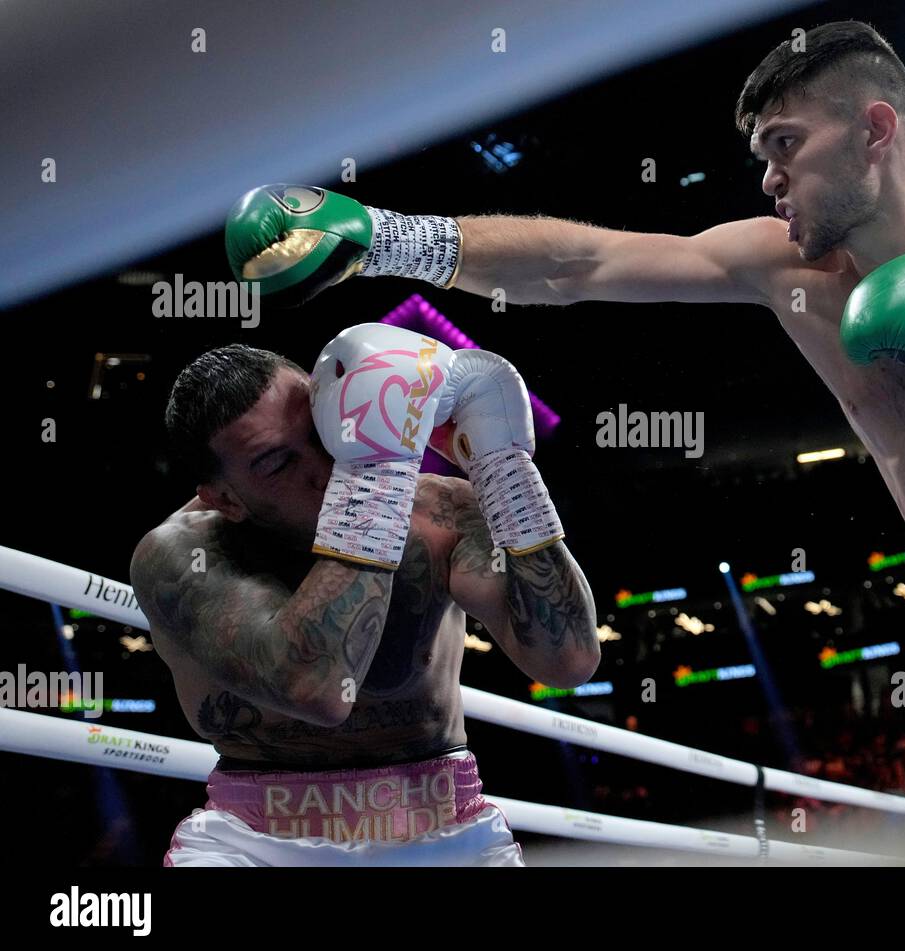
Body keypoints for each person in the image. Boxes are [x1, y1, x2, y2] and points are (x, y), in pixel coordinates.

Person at [223, 20, 905, 836]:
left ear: (875, 130)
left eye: (783, 144)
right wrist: (386, 237)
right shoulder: (781, 268)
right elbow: (580, 264)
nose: (765, 177)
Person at [130, 323, 600, 865]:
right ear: (225, 500)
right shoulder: (182, 555)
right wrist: (378, 474)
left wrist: (503, 467)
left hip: (443, 825)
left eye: (319, 431)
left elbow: (569, 660)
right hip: (258, 844)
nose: (327, 467)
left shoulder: (441, 513)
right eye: (280, 463)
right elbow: (319, 690)